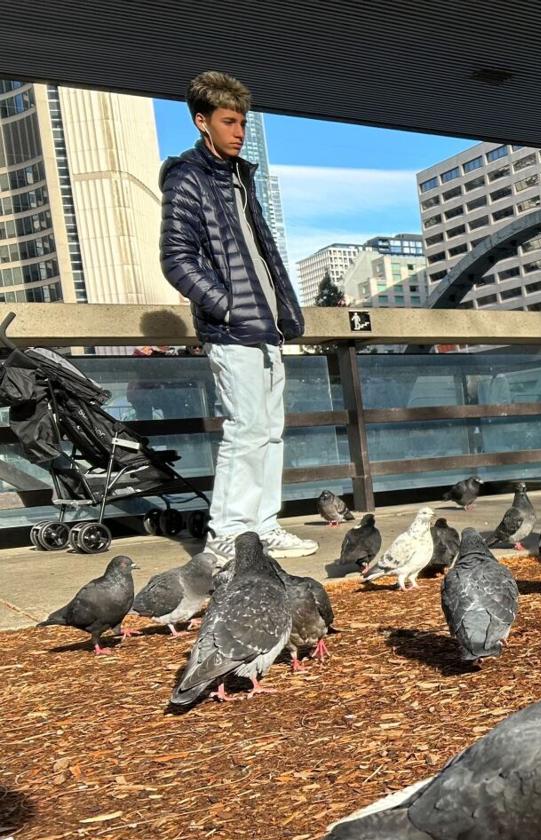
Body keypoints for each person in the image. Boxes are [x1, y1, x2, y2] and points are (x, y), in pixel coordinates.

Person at [159, 71, 316, 563]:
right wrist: (225, 305)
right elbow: (176, 258)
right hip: (231, 329)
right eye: (229, 121)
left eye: (243, 122)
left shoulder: (241, 178)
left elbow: (262, 255)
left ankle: (262, 527)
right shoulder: (188, 177)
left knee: (270, 432)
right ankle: (227, 534)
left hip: (266, 328)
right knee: (245, 430)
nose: (239, 131)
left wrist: (280, 313)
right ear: (202, 121)